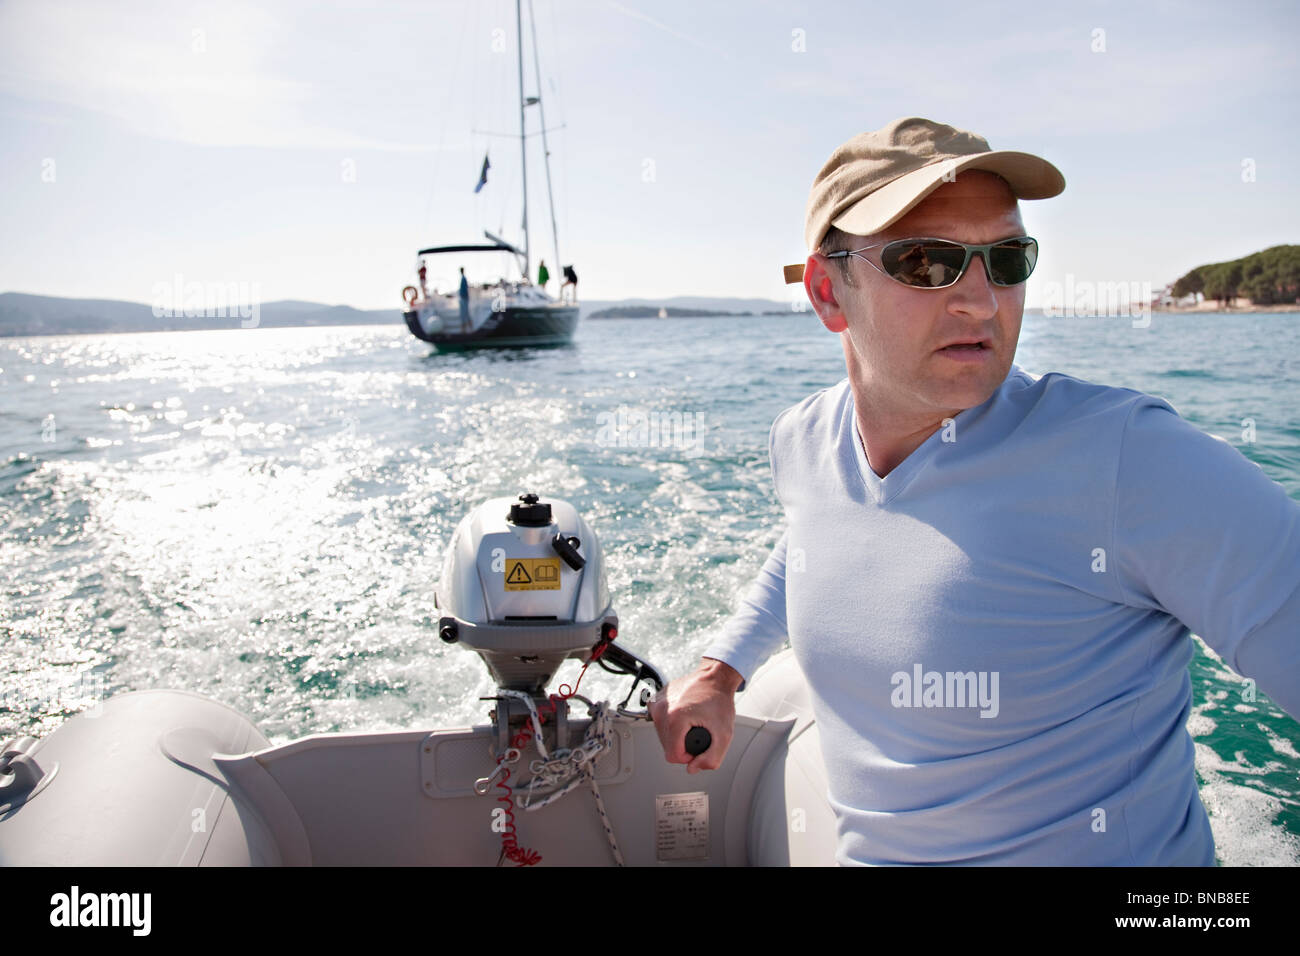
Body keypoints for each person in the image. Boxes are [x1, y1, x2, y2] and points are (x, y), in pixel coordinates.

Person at [649, 116, 1300, 865]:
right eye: (928, 262)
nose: (983, 302)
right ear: (830, 294)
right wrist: (719, 670)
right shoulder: (804, 442)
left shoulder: (1129, 460)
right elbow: (810, 543)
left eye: (1007, 259)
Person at [458, 266, 470, 331]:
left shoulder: (464, 278)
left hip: (464, 298)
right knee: (464, 314)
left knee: (465, 314)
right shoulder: (463, 278)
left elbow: (465, 288)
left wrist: (465, 297)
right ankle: (464, 329)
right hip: (463, 298)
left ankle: (465, 329)